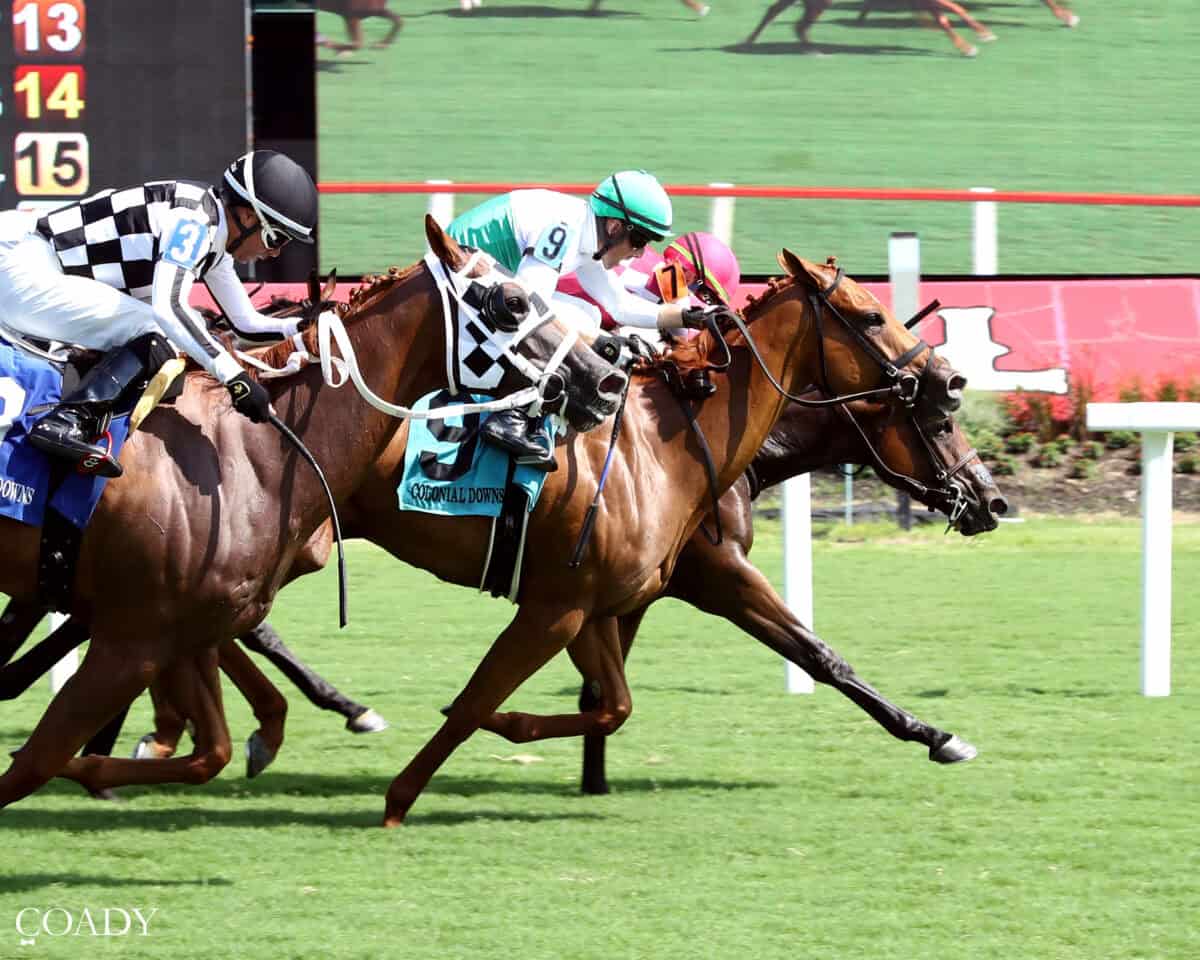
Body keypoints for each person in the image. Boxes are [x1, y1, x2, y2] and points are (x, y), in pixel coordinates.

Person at [0, 150, 317, 478]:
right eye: (276, 237)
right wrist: (234, 379)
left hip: (37, 267)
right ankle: (67, 421)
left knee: (167, 329)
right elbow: (170, 309)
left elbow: (246, 324)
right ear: (248, 217)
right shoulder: (195, 223)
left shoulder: (216, 240)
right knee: (158, 327)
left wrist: (305, 327)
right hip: (22, 268)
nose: (275, 251)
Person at [446, 170, 716, 471]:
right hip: (458, 283)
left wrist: (692, 316)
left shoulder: (587, 236)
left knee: (590, 315)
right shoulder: (563, 229)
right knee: (575, 325)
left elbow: (620, 305)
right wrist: (601, 342)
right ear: (614, 226)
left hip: (485, 286)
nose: (640, 253)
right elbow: (531, 307)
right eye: (639, 239)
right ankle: (511, 416)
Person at [557, 230, 741, 339]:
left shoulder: (650, 258)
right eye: (702, 293)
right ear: (690, 275)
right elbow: (682, 334)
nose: (699, 299)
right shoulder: (671, 275)